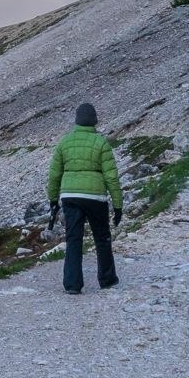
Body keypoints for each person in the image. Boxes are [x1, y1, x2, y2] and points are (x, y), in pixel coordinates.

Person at [46, 101, 122, 293]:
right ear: (95, 121)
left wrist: (53, 200)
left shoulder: (64, 142)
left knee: (73, 239)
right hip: (95, 197)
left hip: (70, 195)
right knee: (102, 237)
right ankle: (107, 279)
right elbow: (111, 177)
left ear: (77, 121)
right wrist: (118, 205)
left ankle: (72, 285)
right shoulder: (102, 143)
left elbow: (54, 175)